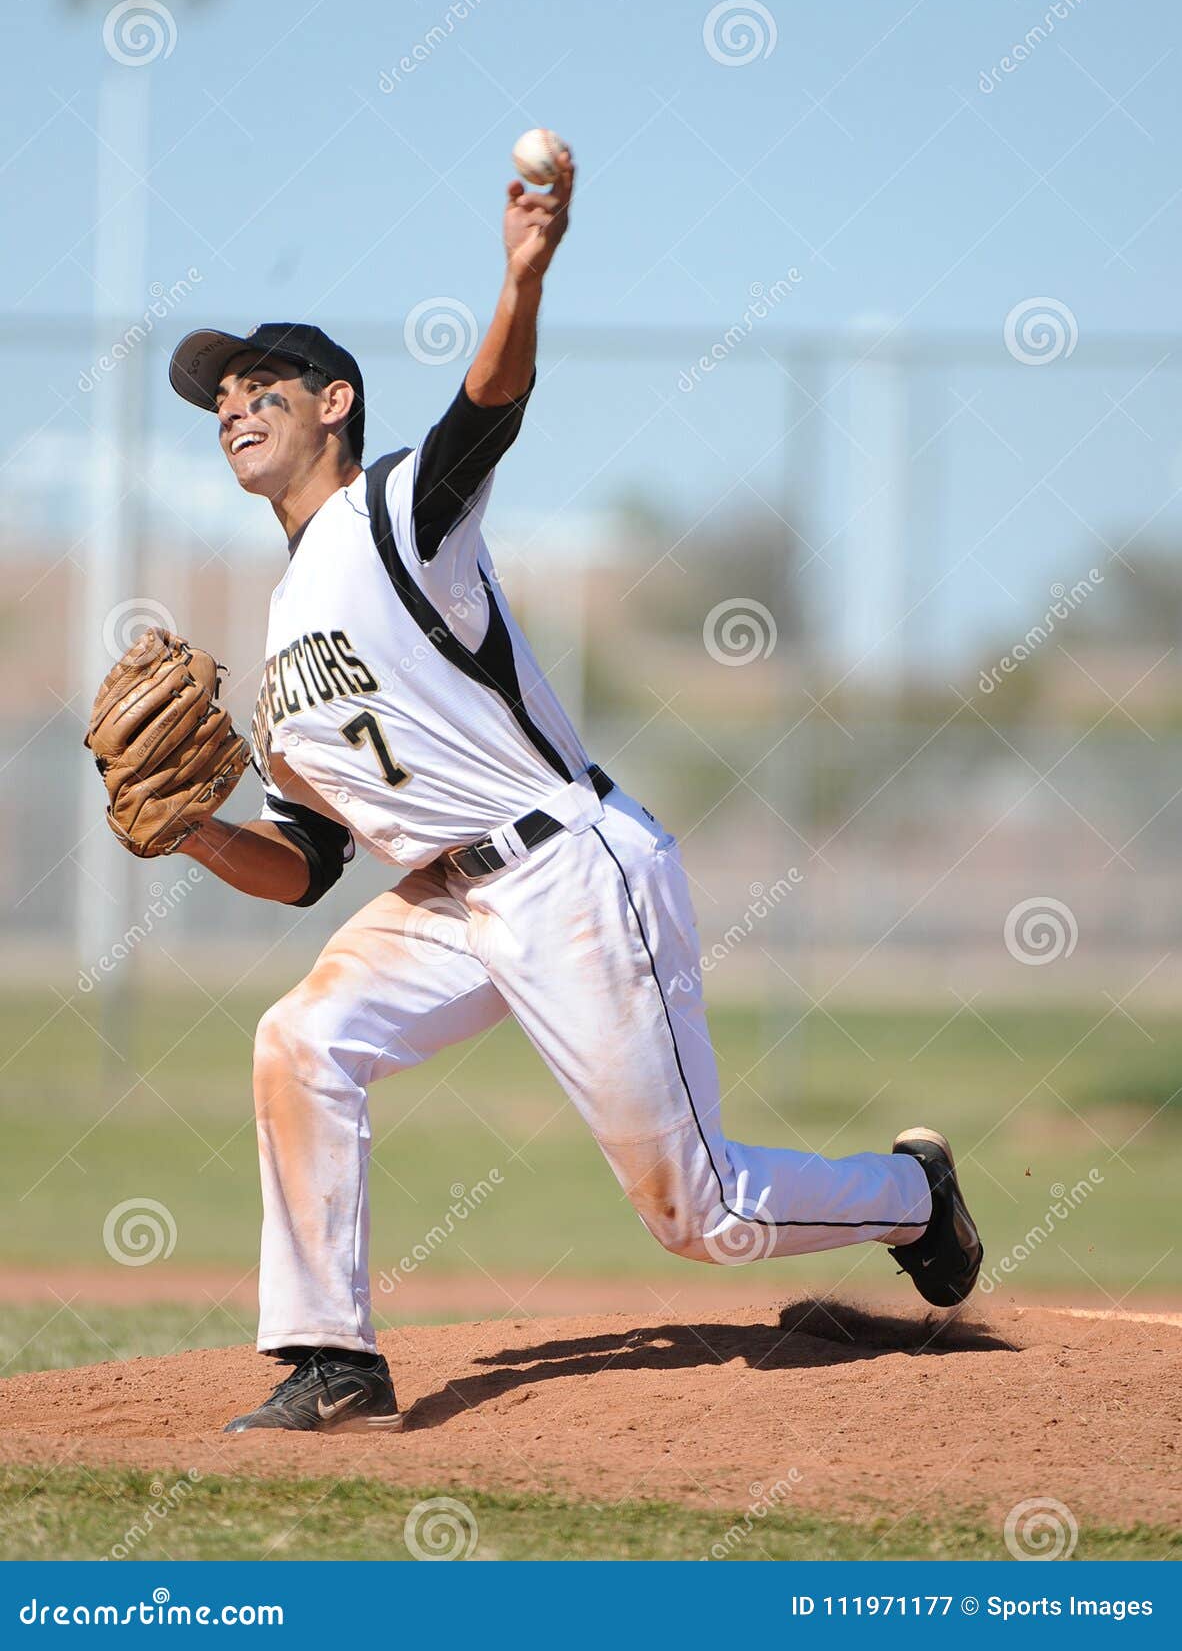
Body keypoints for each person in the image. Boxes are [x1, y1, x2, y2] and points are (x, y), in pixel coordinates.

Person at [167, 150, 981, 1433]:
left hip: (568, 870)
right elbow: (304, 862)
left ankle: (913, 1195)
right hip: (445, 903)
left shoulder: (394, 516)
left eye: (258, 385)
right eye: (216, 397)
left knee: (696, 1219)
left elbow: (488, 404)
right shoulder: (281, 657)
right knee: (301, 1038)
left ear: (337, 402)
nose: (230, 406)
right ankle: (336, 1359)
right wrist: (195, 835)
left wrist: (521, 276)